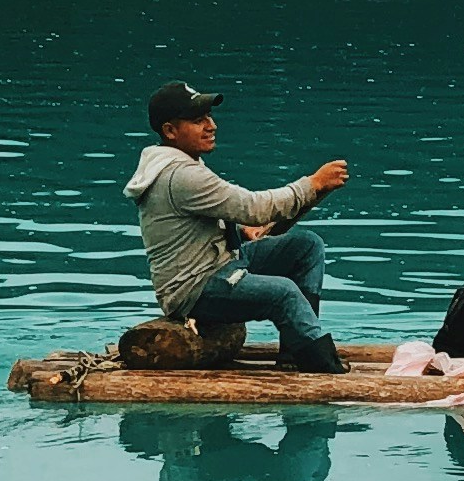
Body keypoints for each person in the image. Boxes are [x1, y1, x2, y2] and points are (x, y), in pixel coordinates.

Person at [126, 80, 351, 373]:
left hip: (223, 264)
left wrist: (239, 231)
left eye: (209, 117)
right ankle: (322, 365)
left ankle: (295, 351)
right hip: (195, 289)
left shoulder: (183, 163)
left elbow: (213, 213)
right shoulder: (180, 175)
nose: (211, 125)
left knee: (306, 246)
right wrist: (312, 184)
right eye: (197, 121)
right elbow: (253, 207)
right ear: (170, 131)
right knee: (283, 292)